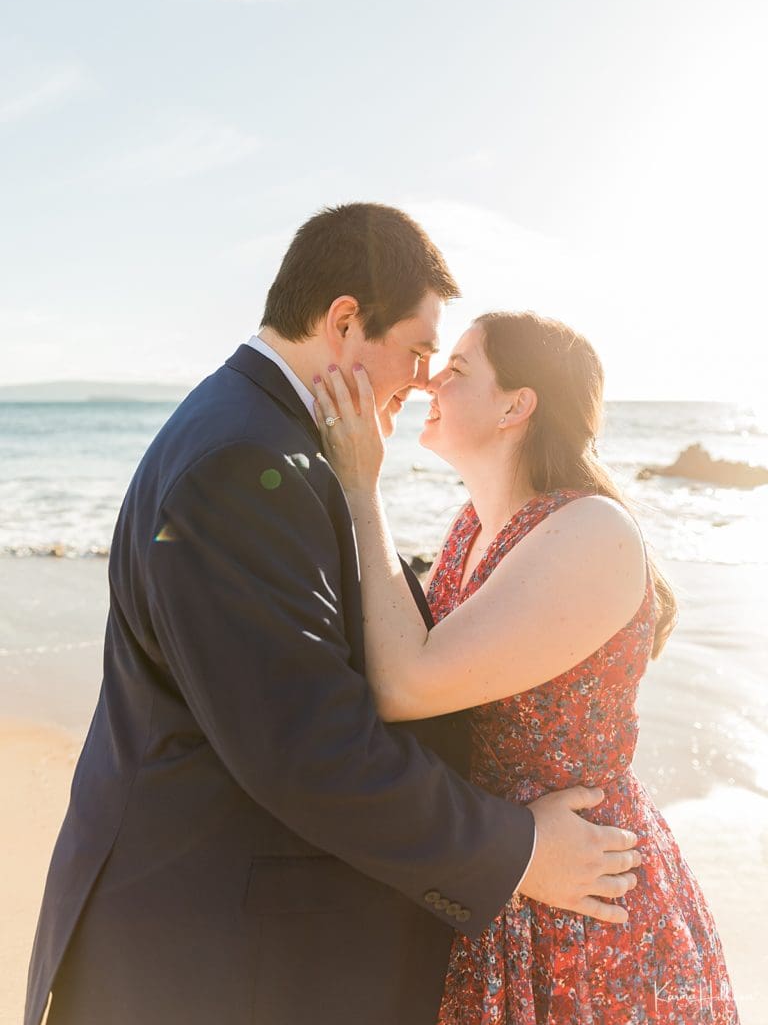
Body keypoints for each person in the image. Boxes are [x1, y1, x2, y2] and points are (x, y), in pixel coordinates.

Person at [26, 208, 640, 1025]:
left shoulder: (260, 435)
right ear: (345, 321)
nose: (423, 379)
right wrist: (519, 851)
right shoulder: (245, 461)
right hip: (205, 962)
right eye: (420, 351)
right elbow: (311, 748)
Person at [314, 309, 740, 1024]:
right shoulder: (472, 526)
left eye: (456, 368)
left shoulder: (592, 531)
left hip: (584, 904)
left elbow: (407, 681)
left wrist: (361, 487)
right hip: (505, 876)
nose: (429, 382)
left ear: (517, 404)